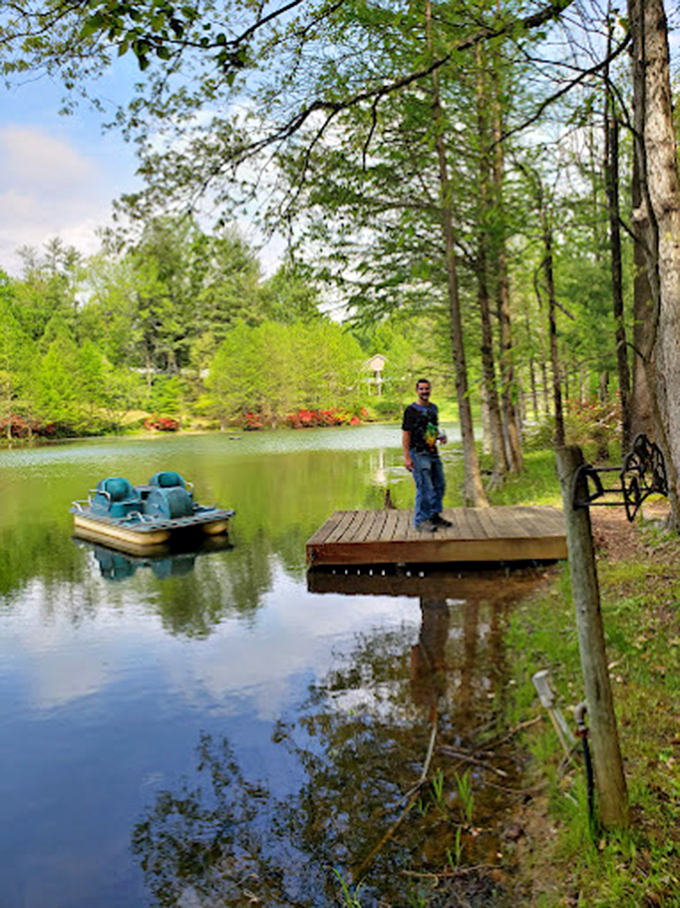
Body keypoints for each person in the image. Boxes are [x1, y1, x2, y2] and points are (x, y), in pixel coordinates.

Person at [402, 378, 452, 531]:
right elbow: (406, 434)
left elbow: (431, 429)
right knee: (425, 487)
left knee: (439, 485)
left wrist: (439, 437)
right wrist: (407, 457)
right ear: (417, 391)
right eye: (422, 389)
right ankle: (421, 521)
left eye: (427, 389)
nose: (425, 391)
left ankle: (434, 516)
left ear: (430, 390)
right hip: (417, 453)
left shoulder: (433, 409)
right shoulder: (411, 410)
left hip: (432, 452)